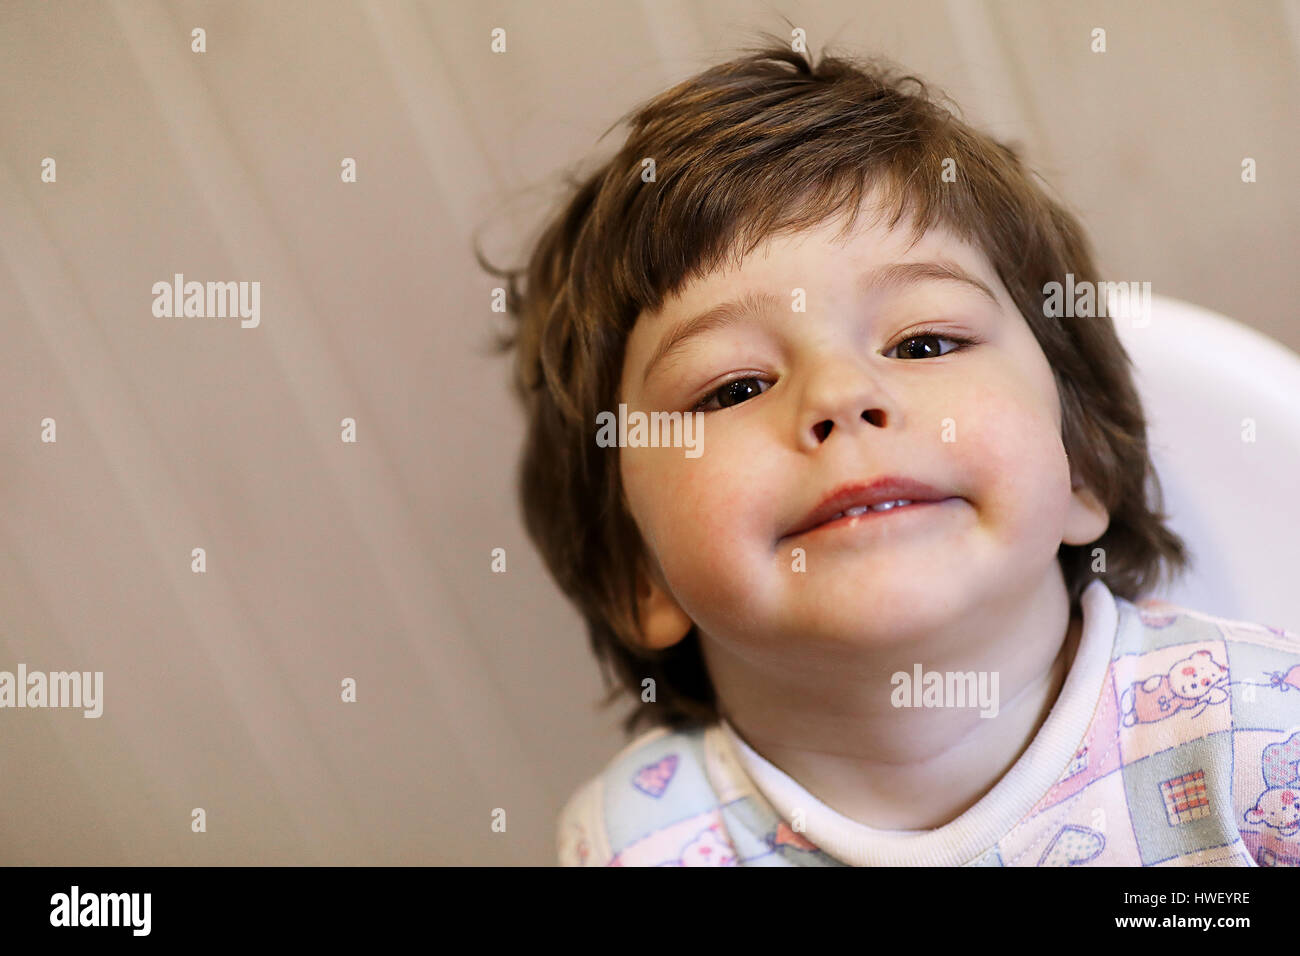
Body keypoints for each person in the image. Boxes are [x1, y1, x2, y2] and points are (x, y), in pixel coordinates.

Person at [482, 37, 1300, 866]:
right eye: (732, 388)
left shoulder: (1262, 736)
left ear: (1079, 463)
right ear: (636, 569)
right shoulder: (637, 842)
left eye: (924, 344)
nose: (840, 395)